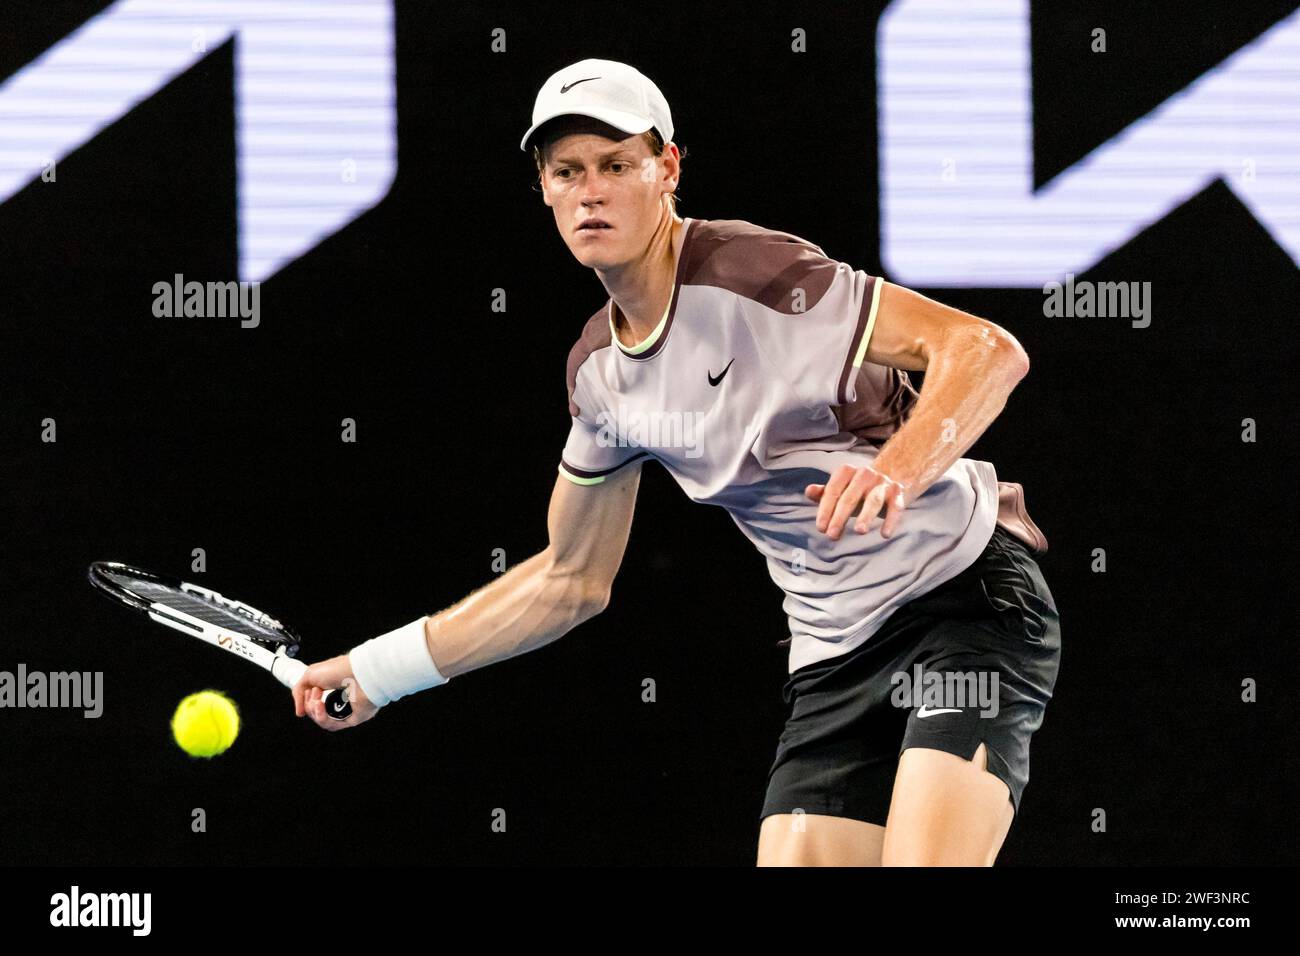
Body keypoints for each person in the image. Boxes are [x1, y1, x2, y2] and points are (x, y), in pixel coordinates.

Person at [293, 58, 1061, 867]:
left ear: (667, 168)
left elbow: (984, 350)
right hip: (833, 655)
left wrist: (895, 471)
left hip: (965, 608)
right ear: (545, 191)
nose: (591, 191)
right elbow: (570, 579)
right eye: (567, 172)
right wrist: (380, 671)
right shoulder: (598, 375)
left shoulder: (760, 275)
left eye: (617, 165)